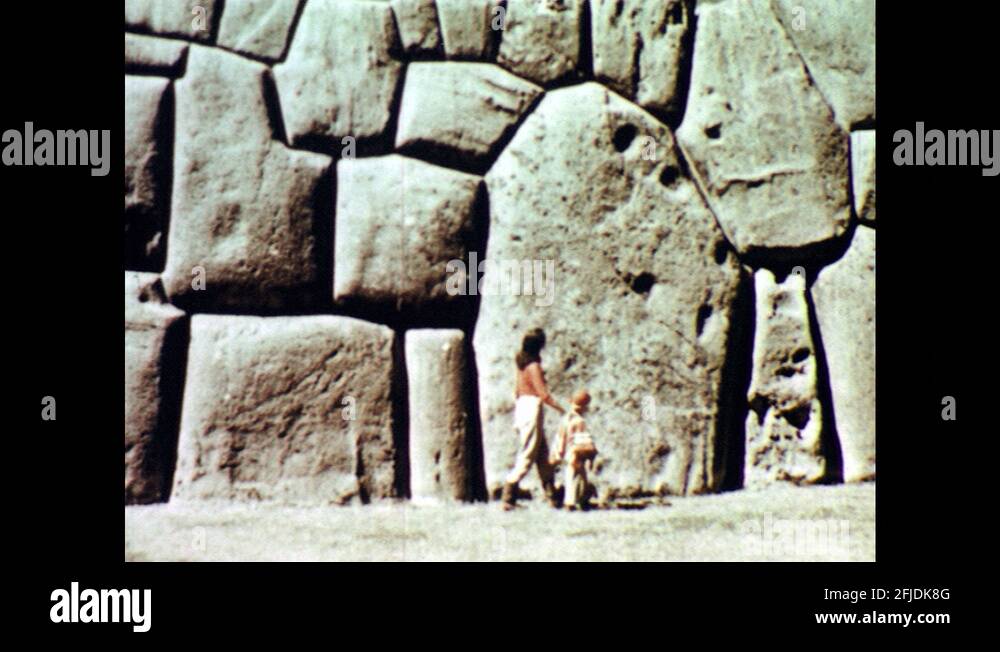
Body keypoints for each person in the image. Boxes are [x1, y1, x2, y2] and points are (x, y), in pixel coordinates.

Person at [501, 328, 565, 511]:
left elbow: (517, 391)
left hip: (522, 406)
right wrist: (562, 410)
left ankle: (552, 496)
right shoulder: (533, 366)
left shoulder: (522, 365)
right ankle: (509, 495)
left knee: (543, 456)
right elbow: (543, 394)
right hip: (531, 408)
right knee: (528, 453)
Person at [551, 390, 597, 511]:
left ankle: (570, 500)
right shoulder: (580, 421)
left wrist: (558, 453)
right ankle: (573, 502)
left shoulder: (565, 419)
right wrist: (591, 453)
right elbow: (583, 440)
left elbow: (560, 438)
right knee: (577, 477)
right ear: (586, 406)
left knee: (569, 477)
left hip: (567, 452)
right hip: (576, 452)